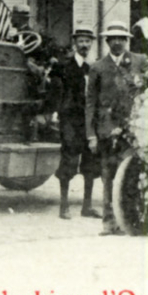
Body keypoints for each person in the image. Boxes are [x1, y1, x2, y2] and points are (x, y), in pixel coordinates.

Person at [87, 24, 141, 235]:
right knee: (108, 175)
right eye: (113, 38)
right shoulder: (98, 67)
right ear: (107, 42)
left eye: (121, 38)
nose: (117, 42)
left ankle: (128, 219)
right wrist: (91, 135)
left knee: (131, 175)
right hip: (107, 130)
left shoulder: (138, 62)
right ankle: (109, 222)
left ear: (126, 40)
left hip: (133, 128)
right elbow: (90, 103)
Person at [45, 28, 101, 220]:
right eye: (81, 41)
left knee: (90, 162)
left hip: (89, 121)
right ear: (75, 43)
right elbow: (55, 92)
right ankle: (64, 205)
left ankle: (87, 206)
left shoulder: (95, 66)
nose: (84, 45)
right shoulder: (63, 66)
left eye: (87, 41)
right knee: (69, 159)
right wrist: (55, 112)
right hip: (70, 119)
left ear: (91, 44)